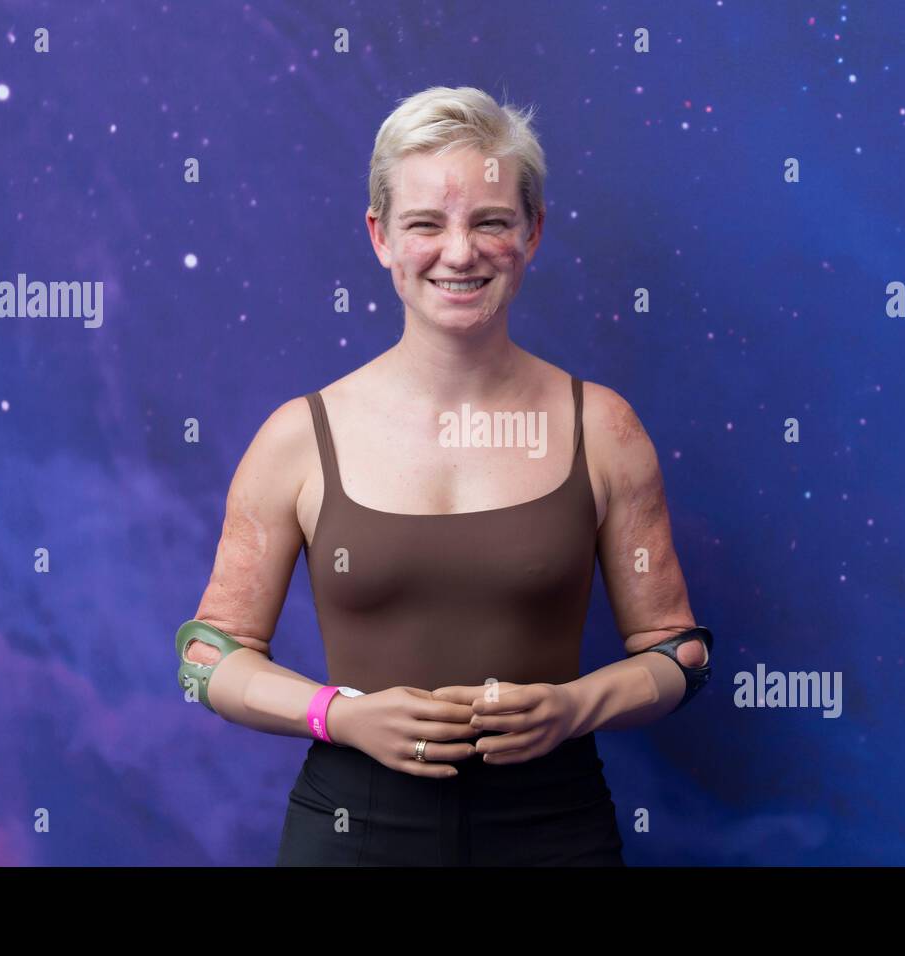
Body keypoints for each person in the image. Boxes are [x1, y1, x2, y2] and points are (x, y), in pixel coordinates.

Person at [175, 86, 713, 866]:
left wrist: (572, 706)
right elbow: (206, 658)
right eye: (425, 224)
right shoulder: (298, 437)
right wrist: (339, 714)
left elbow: (680, 654)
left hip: (552, 831)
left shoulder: (603, 428)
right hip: (350, 835)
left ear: (532, 233)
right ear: (381, 237)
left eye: (490, 221)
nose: (458, 252)